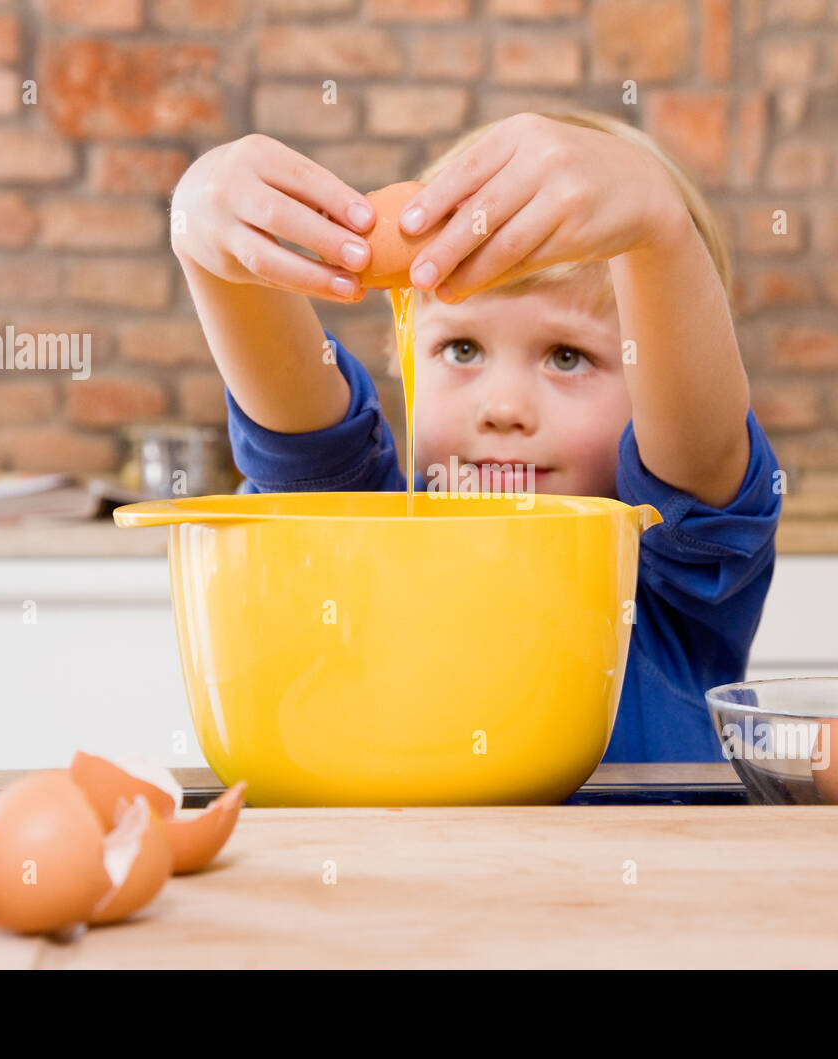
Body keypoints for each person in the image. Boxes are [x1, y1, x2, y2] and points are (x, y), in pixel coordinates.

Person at [169, 109, 781, 762]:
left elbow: (701, 453)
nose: (503, 408)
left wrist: (659, 230)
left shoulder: (669, 584)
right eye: (461, 348)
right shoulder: (366, 541)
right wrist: (209, 246)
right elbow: (302, 437)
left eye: (567, 357)